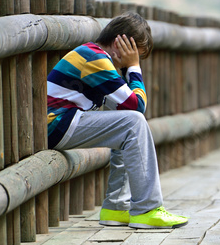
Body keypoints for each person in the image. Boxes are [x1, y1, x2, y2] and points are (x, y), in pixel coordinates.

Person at [46, 12, 188, 229]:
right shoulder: (94, 58)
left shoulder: (94, 56)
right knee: (133, 123)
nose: (131, 61)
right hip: (57, 124)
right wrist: (134, 68)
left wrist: (129, 67)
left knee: (127, 125)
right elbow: (137, 107)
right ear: (119, 43)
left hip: (62, 123)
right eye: (133, 54)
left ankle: (116, 208)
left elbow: (122, 108)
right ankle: (147, 209)